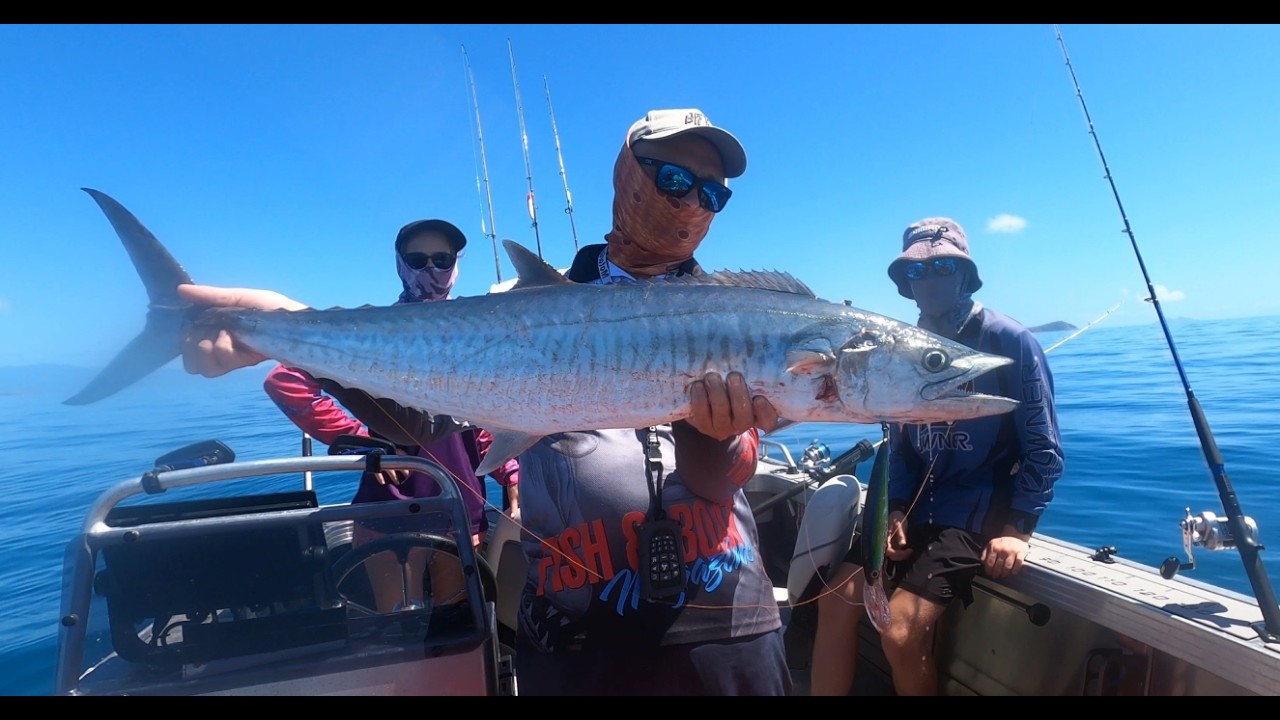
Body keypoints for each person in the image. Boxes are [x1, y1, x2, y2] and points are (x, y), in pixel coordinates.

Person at [177, 108, 792, 696]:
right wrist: (285, 328)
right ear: (627, 173)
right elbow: (414, 425)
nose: (691, 204)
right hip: (576, 633)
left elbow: (720, 480)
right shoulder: (515, 307)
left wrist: (712, 430)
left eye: (712, 194)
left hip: (729, 619)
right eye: (675, 179)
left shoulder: (745, 318)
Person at [808, 216, 1064, 696]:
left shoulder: (1009, 341)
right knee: (835, 598)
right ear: (905, 283)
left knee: (900, 633)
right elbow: (900, 442)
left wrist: (1017, 528)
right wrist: (896, 507)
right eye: (916, 271)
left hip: (973, 515)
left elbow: (1043, 445)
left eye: (942, 266)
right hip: (913, 509)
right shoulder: (899, 346)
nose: (929, 279)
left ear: (964, 274)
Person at [260, 219, 519, 612]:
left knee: (459, 625)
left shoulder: (476, 330)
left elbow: (482, 418)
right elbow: (285, 380)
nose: (431, 270)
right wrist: (364, 443)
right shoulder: (375, 331)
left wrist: (509, 473)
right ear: (400, 265)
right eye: (418, 260)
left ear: (455, 264)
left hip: (462, 505)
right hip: (392, 509)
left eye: (441, 259)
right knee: (399, 627)